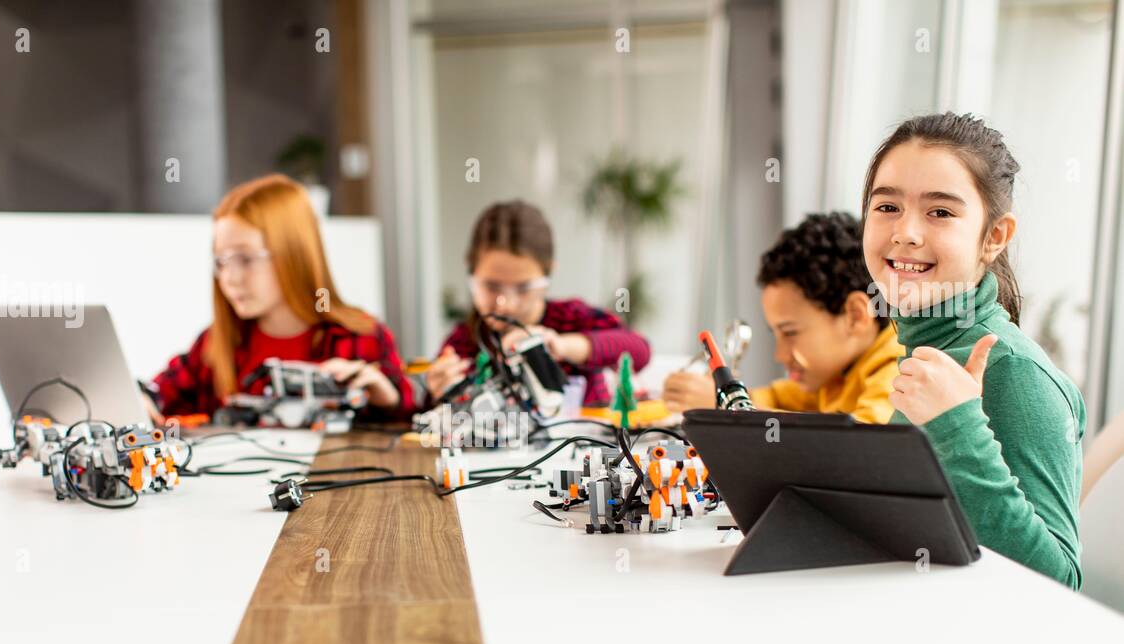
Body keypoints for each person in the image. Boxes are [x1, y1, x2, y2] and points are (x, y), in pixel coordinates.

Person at [863, 112, 1084, 588]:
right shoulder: (924, 346)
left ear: (994, 237)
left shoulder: (1014, 373)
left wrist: (958, 427)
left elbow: (1061, 584)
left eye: (940, 212)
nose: (906, 233)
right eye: (887, 207)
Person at [148, 174, 415, 421]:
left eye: (245, 258)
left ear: (293, 254)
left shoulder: (362, 338)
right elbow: (157, 395)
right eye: (222, 261)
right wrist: (141, 402)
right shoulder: (214, 345)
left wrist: (387, 400)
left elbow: (411, 419)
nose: (229, 278)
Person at [663, 211, 903, 424]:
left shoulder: (899, 371)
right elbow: (777, 397)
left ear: (855, 315)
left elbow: (864, 446)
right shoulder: (835, 372)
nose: (779, 355)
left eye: (790, 332)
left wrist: (727, 408)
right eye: (776, 334)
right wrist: (726, 394)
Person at [423, 200, 650, 407]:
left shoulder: (572, 319)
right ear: (470, 270)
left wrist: (560, 345)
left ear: (548, 273)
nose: (506, 305)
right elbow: (428, 409)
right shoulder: (463, 344)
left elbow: (639, 351)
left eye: (523, 288)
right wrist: (438, 391)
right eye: (492, 287)